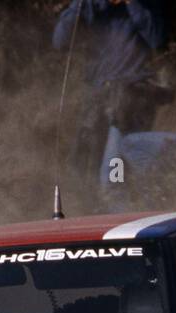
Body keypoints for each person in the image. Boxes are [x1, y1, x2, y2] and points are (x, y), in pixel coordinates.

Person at [53, 0, 169, 189]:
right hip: (98, 95)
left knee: (115, 174)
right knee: (81, 167)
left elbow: (156, 38)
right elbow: (60, 40)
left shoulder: (145, 5)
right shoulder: (92, 5)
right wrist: (78, 7)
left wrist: (132, 3)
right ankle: (93, 212)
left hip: (131, 98)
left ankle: (120, 211)